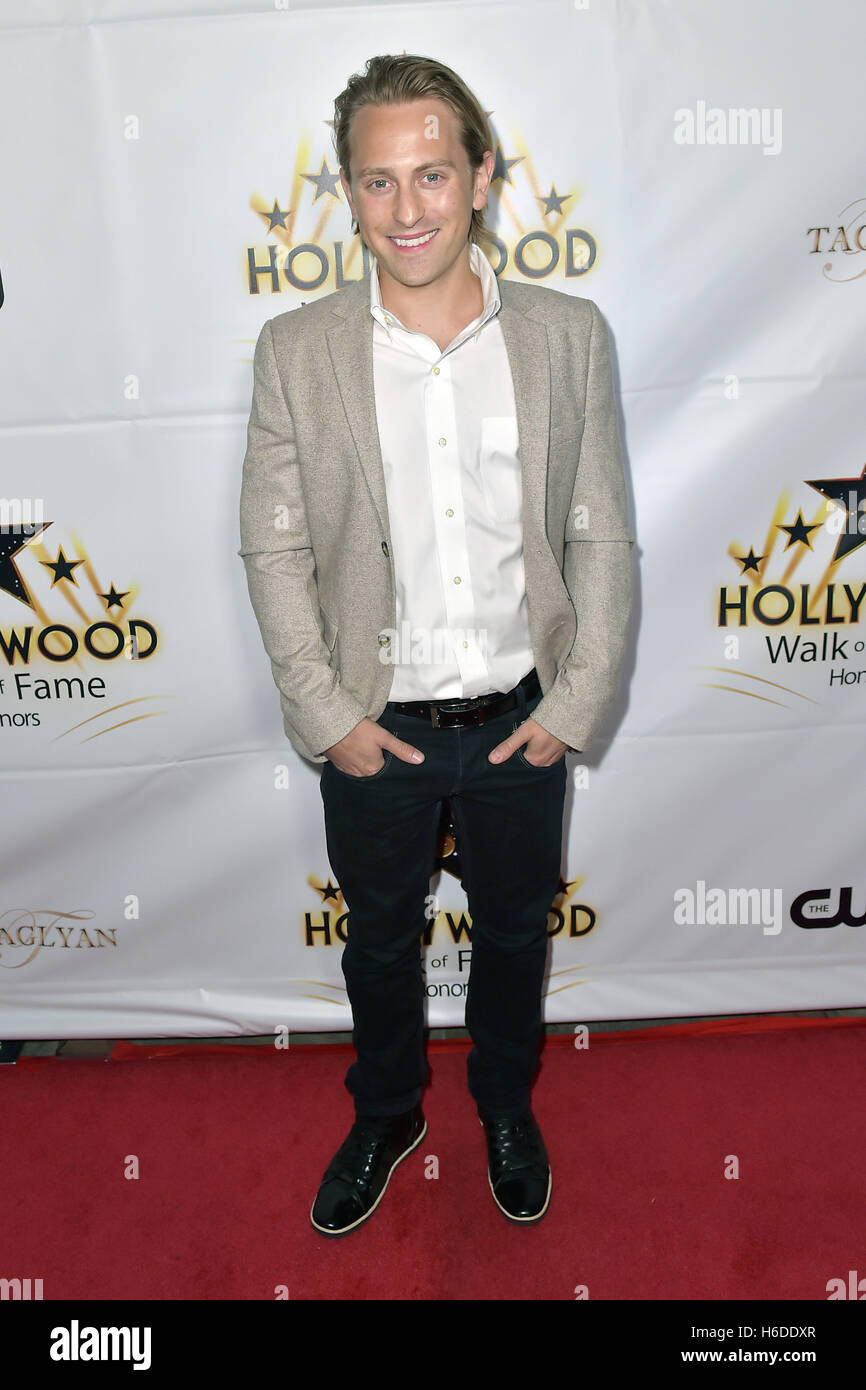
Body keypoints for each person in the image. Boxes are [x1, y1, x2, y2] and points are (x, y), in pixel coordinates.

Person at [238, 53, 634, 1237]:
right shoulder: (295, 350)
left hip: (521, 719)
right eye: (375, 182)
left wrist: (572, 703)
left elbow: (601, 531)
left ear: (479, 177)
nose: (404, 210)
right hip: (378, 729)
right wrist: (323, 715)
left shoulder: (566, 335)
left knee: (515, 933)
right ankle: (386, 1109)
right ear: (347, 194)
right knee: (375, 941)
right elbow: (274, 549)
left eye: (429, 174)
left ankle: (504, 1105)